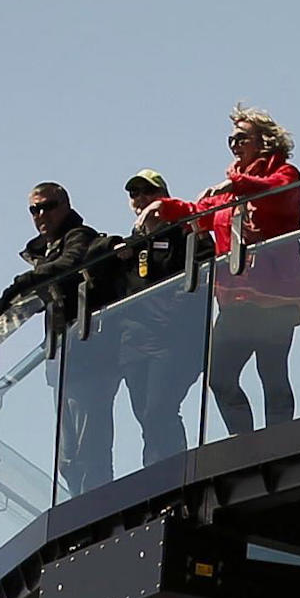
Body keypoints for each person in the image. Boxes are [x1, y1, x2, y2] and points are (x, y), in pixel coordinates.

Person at [0, 183, 112, 487]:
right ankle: (81, 514)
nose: (40, 214)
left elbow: (68, 265)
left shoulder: (79, 237)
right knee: (68, 459)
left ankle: (94, 513)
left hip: (91, 357)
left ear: (65, 206)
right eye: (34, 209)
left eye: (48, 206)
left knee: (90, 451)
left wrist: (18, 284)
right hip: (63, 361)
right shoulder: (45, 253)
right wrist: (0, 308)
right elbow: (37, 295)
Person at [189, 109, 300, 435]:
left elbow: (276, 192)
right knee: (219, 375)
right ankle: (244, 441)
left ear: (264, 141)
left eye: (241, 138)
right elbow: (197, 217)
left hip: (276, 293)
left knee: (271, 372)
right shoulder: (229, 188)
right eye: (231, 139)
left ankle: (279, 442)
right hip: (236, 296)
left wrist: (235, 183)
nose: (234, 144)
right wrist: (164, 206)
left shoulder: (284, 172)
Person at [102, 170, 209, 473]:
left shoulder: (185, 234)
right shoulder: (128, 247)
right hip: (135, 345)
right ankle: (157, 476)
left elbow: (207, 265)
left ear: (164, 197)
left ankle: (174, 476)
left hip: (174, 341)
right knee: (146, 416)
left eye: (147, 192)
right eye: (134, 194)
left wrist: (170, 315)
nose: (140, 199)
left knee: (159, 410)